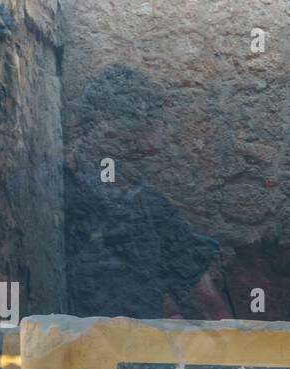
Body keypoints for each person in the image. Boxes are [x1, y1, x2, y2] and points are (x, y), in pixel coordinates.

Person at [64, 66, 234, 322]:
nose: (151, 145)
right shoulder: (56, 194)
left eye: (142, 129)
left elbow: (212, 304)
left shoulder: (152, 209)